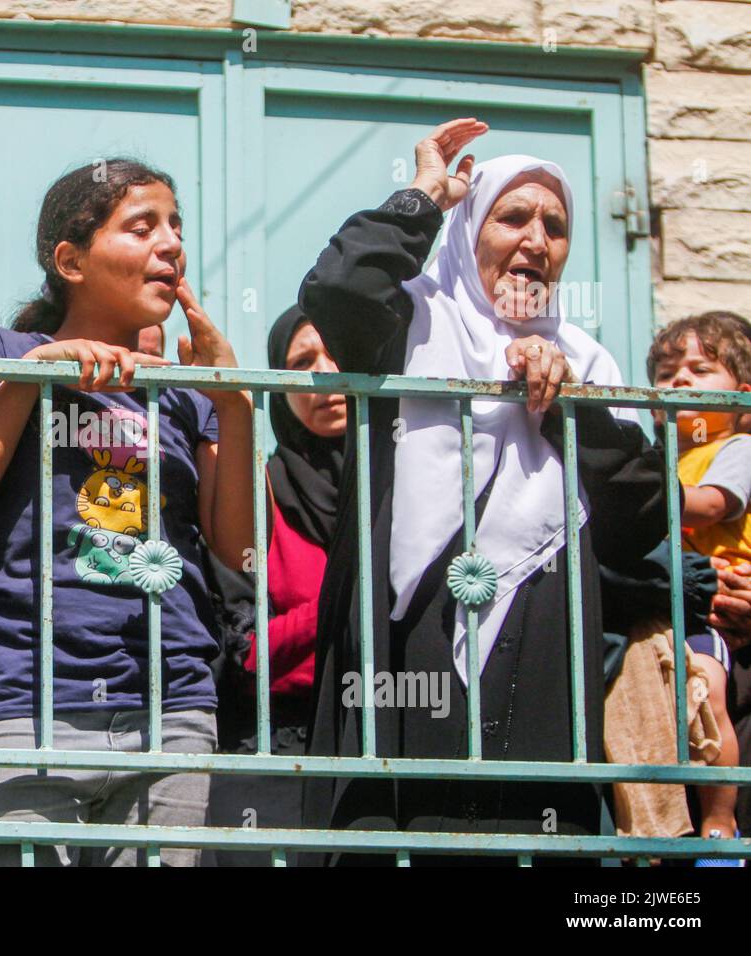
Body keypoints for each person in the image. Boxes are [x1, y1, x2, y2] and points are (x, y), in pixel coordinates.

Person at [295, 119, 669, 863]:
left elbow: (642, 513)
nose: (536, 240)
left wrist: (566, 404)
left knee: (529, 831)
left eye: (556, 226)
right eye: (513, 217)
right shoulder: (412, 322)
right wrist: (427, 193)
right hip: (408, 639)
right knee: (394, 828)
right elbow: (339, 288)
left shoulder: (590, 361)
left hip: (541, 635)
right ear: (470, 230)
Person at [0, 158, 259, 867]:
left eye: (175, 226)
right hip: (28, 702)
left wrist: (234, 401)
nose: (170, 244)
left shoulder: (186, 391)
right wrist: (39, 372)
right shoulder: (4, 352)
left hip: (172, 710)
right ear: (70, 261)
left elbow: (243, 548)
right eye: (142, 227)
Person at [206, 305, 345, 866]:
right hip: (277, 752)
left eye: (339, 355)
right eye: (303, 363)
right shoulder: (260, 494)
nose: (326, 375)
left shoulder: (407, 488)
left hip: (381, 747)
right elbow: (243, 650)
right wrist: (342, 606)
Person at [647, 311, 749, 855]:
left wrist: (644, 497)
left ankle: (720, 821)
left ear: (743, 396)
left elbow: (713, 506)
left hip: (717, 607)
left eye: (701, 368)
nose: (679, 379)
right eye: (666, 372)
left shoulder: (733, 451)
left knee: (707, 687)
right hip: (670, 611)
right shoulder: (659, 458)